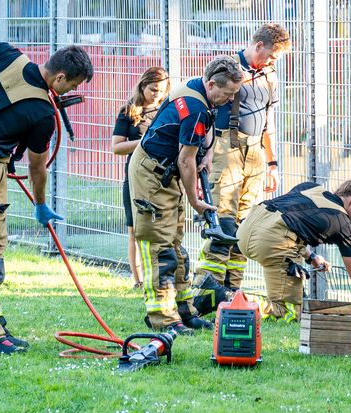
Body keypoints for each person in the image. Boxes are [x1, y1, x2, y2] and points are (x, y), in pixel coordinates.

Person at [0, 29, 93, 354]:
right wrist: (40, 205)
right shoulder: (42, 114)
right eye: (74, 85)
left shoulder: (10, 56)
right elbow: (38, 168)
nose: (73, 91)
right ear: (61, 77)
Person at [128, 56, 243, 333]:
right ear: (212, 83)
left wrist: (209, 152)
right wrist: (195, 201)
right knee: (159, 247)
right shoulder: (195, 109)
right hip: (153, 174)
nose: (229, 100)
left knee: (176, 246)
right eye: (227, 94)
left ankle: (184, 311)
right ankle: (163, 317)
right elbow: (185, 160)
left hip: (167, 174)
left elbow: (201, 141)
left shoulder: (197, 90)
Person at [206, 179, 351, 332]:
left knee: (290, 275)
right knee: (289, 310)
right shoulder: (343, 221)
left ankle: (210, 291)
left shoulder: (311, 188)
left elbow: (288, 218)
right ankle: (225, 297)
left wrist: (310, 256)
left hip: (246, 229)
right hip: (269, 242)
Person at [193, 23, 291, 303]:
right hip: (227, 147)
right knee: (223, 218)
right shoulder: (229, 69)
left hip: (257, 152)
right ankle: (206, 286)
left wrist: (272, 163)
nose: (273, 62)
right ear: (258, 46)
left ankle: (232, 291)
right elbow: (209, 109)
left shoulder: (269, 75)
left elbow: (269, 121)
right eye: (271, 56)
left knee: (245, 224)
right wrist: (209, 150)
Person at [112, 66, 169, 289]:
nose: (157, 94)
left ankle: (160, 276)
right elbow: (117, 147)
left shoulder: (167, 109)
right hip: (135, 176)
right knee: (135, 229)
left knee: (162, 228)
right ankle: (138, 280)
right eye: (153, 89)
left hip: (162, 177)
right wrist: (145, 142)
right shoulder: (129, 111)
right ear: (143, 86)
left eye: (162, 90)